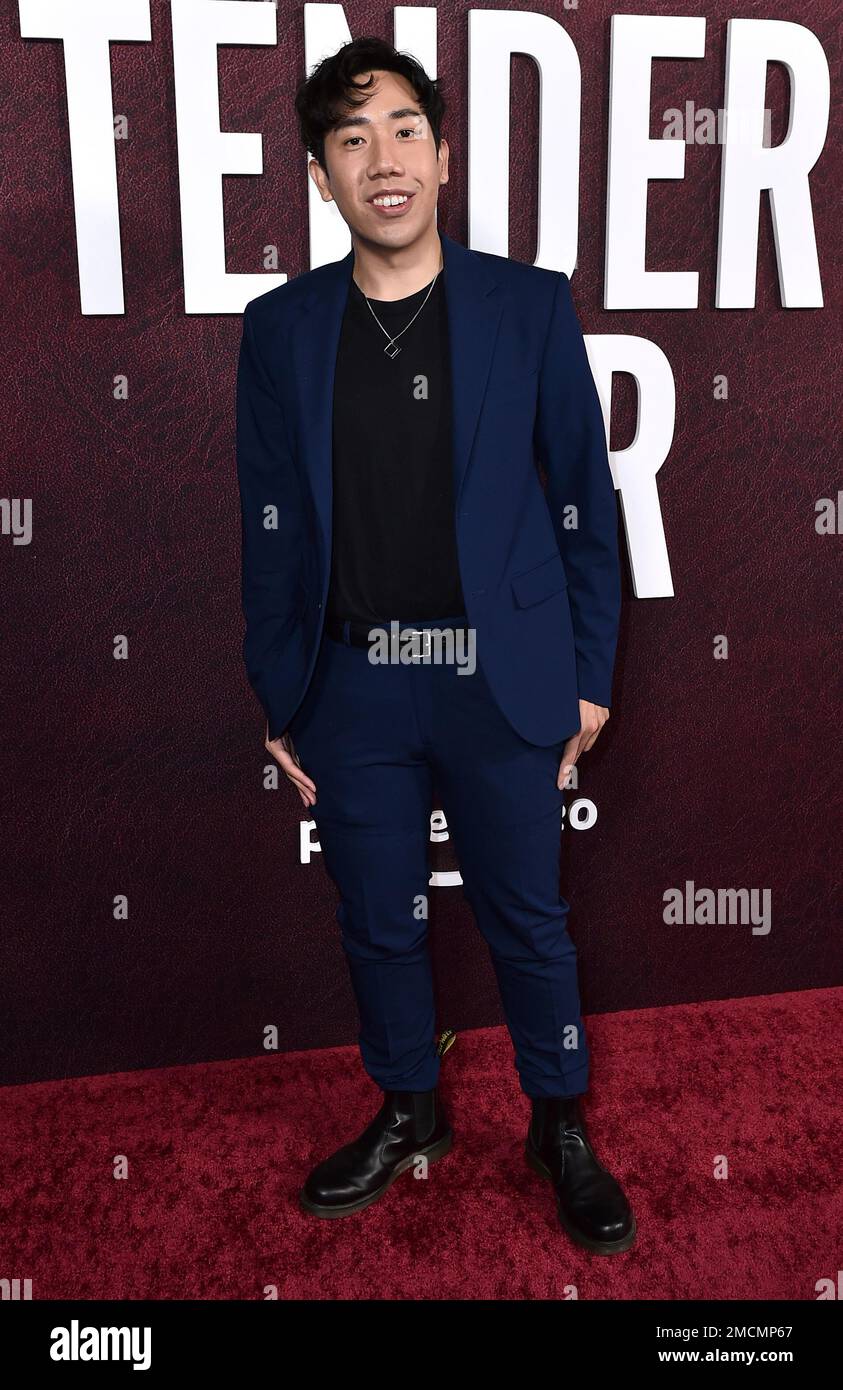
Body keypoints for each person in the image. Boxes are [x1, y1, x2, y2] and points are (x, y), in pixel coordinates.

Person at [235, 36, 635, 1254]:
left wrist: (587, 672)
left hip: (496, 676)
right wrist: (281, 693)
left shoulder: (526, 305)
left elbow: (583, 497)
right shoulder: (280, 329)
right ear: (320, 176)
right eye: (351, 139)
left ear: (444, 156)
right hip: (354, 681)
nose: (383, 159)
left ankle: (557, 1122)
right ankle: (410, 1107)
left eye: (404, 130)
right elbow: (266, 525)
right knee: (379, 917)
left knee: (527, 915)